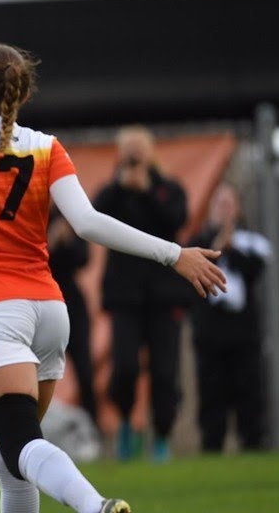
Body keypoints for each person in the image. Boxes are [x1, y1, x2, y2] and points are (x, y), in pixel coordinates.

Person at [0, 43, 226, 513]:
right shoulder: (46, 146)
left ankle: (95, 506)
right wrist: (173, 253)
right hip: (51, 312)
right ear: (23, 95)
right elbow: (88, 223)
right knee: (12, 456)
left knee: (19, 444)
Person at [93, 125, 190, 462]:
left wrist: (147, 191)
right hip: (126, 297)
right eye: (128, 148)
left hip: (164, 296)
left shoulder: (168, 189)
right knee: (125, 367)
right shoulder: (113, 193)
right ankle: (124, 422)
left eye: (139, 148)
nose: (134, 154)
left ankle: (161, 436)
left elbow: (176, 221)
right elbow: (93, 218)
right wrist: (121, 187)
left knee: (164, 372)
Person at [188, 182, 270, 452]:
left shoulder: (251, 242)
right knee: (212, 392)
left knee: (248, 389)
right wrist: (217, 246)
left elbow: (255, 271)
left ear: (238, 208)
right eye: (219, 204)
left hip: (243, 332)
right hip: (210, 333)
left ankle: (253, 443)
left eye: (229, 204)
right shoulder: (198, 243)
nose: (224, 210)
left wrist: (231, 248)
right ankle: (212, 445)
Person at [47, 208, 98, 424]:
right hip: (41, 302)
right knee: (36, 372)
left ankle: (92, 427)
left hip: (71, 303)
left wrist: (67, 241)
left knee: (85, 369)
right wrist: (51, 241)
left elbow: (83, 258)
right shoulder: (30, 215)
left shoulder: (67, 214)